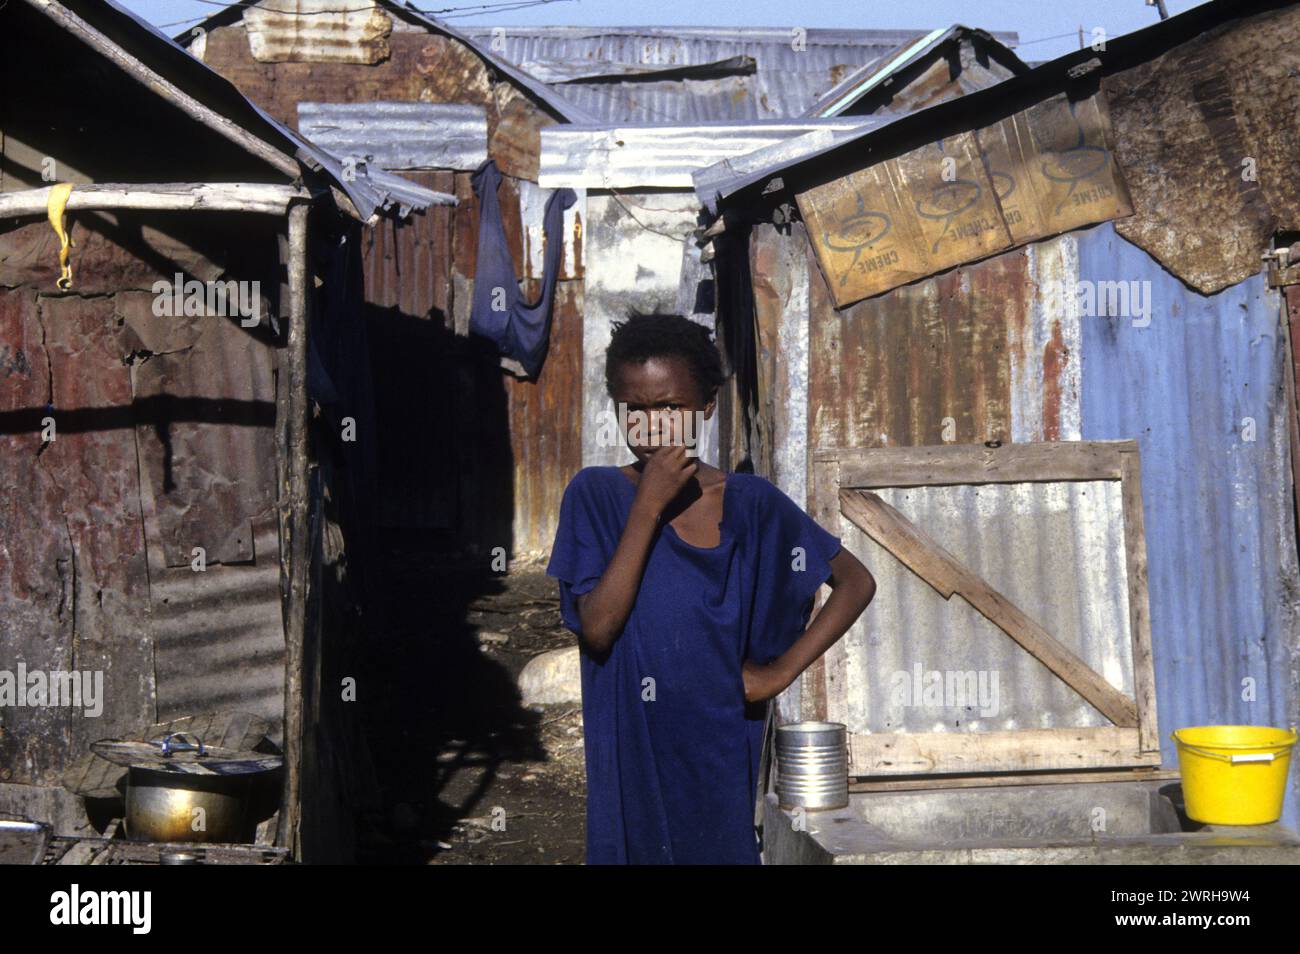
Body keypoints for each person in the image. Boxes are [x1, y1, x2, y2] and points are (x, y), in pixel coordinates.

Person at [546, 314, 876, 864]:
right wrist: (648, 505)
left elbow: (854, 581)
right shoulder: (596, 496)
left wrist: (777, 674)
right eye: (637, 409)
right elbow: (598, 628)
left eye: (671, 407)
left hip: (721, 746)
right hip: (635, 747)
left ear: (706, 406)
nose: (653, 426)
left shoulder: (751, 503)